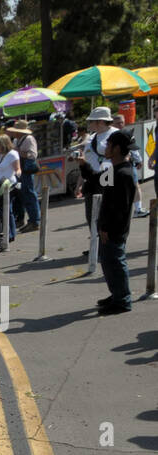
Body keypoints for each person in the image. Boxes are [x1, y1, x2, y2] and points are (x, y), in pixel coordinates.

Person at [96, 129, 138, 315]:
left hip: (114, 229)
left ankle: (122, 300)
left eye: (109, 144)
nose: (106, 147)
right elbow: (98, 184)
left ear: (117, 148)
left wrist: (106, 228)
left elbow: (119, 208)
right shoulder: (114, 170)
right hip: (108, 226)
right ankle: (117, 294)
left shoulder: (124, 173)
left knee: (115, 262)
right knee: (108, 262)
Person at [80, 106, 114, 236]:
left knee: (105, 212)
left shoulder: (115, 134)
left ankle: (105, 245)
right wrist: (80, 182)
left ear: (100, 121)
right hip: (91, 177)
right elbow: (88, 159)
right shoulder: (92, 138)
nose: (89, 124)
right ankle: (95, 244)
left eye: (91, 121)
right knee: (91, 214)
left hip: (108, 174)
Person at [6, 121, 41, 232]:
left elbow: (32, 155)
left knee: (29, 193)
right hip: (20, 169)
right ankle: (21, 218)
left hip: (26, 169)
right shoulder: (17, 140)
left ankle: (35, 221)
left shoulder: (29, 139)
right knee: (20, 195)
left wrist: (18, 152)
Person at [0, 134, 22, 247]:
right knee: (3, 210)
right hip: (0, 185)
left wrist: (17, 180)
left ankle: (11, 233)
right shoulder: (2, 156)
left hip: (8, 184)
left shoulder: (12, 154)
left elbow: (17, 169)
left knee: (7, 210)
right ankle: (7, 232)